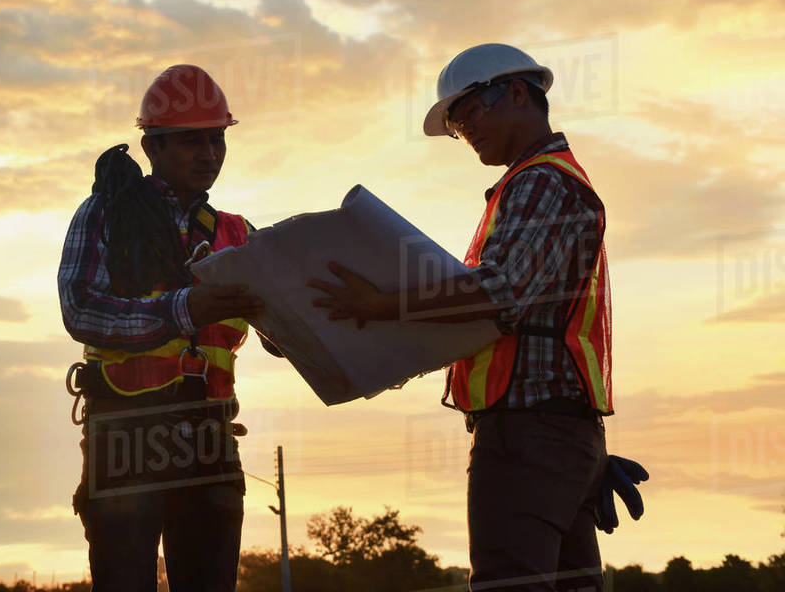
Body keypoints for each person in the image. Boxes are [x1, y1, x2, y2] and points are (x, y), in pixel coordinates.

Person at [308, 43, 615, 591]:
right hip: (553, 433)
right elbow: (500, 315)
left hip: (530, 432)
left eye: (470, 112)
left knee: (509, 582)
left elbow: (498, 296)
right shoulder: (529, 185)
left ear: (518, 93)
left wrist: (382, 305)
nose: (464, 129)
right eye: (456, 123)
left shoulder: (541, 182)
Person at [58, 64, 278, 592]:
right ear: (152, 147)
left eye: (217, 139)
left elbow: (285, 332)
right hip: (126, 436)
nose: (209, 154)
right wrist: (186, 310)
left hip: (211, 441)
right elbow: (81, 309)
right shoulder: (105, 214)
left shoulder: (237, 233)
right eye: (190, 141)